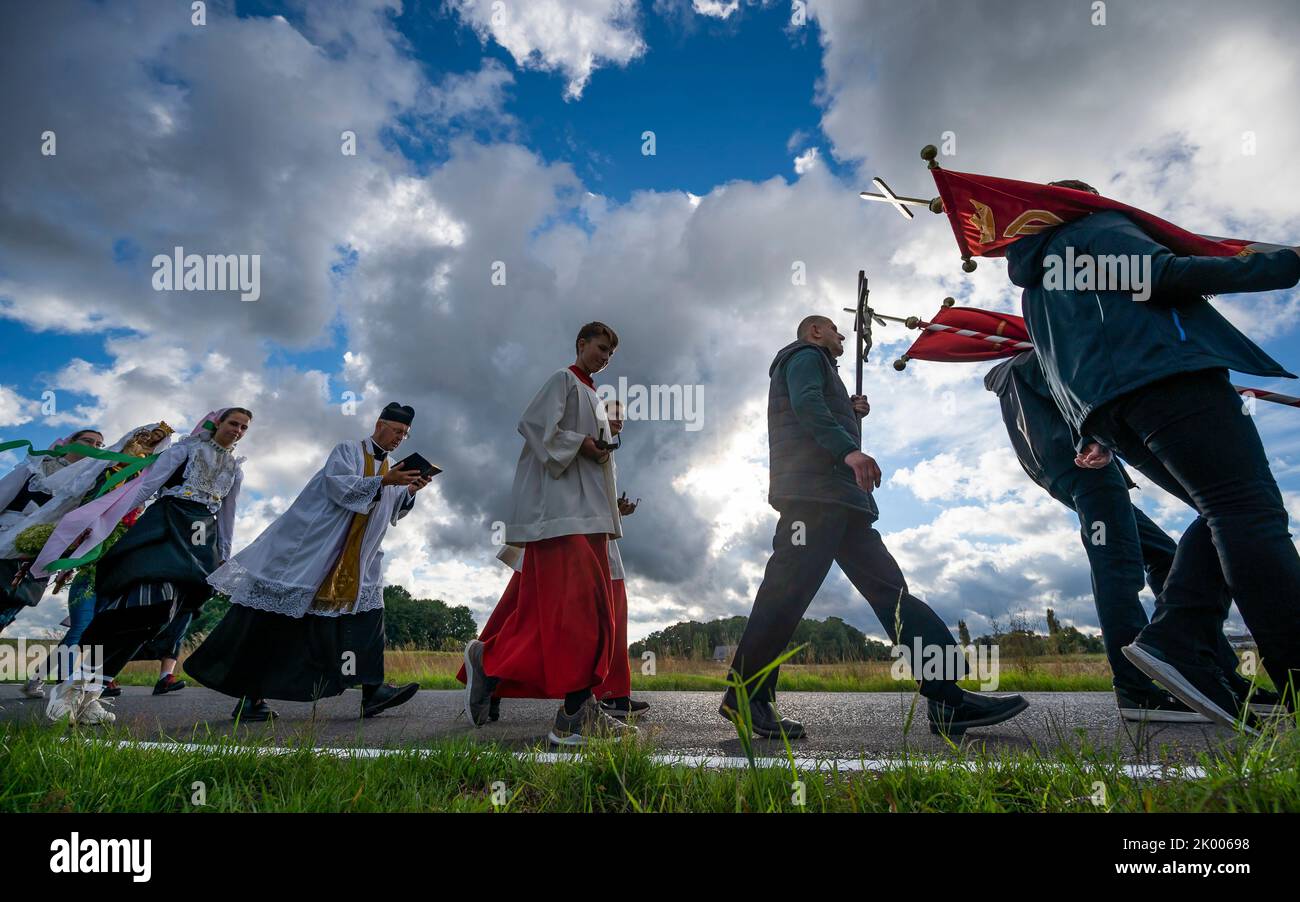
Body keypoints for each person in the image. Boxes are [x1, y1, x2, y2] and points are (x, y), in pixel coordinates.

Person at [1010, 179, 1300, 726]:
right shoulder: (1095, 226)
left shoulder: (1035, 284)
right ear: (1083, 202)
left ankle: (1182, 641)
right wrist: (1283, 266)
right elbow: (1159, 275)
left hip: (1111, 410)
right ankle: (1191, 644)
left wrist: (1089, 429)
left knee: (1227, 511)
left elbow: (1063, 362)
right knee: (1249, 508)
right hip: (1167, 379)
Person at [723, 315, 1029, 739]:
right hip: (814, 498)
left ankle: (946, 699)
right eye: (834, 329)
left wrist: (847, 410)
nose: (842, 335)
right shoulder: (804, 355)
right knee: (786, 593)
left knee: (892, 593)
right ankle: (745, 694)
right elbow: (806, 405)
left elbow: (820, 407)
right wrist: (850, 449)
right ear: (815, 332)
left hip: (842, 500)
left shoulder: (820, 365)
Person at [984, 350, 1280, 720]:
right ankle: (1136, 687)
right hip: (1087, 468)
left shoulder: (1009, 380)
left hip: (1063, 473)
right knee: (1118, 565)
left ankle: (1215, 670)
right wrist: (1094, 435)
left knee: (1165, 555)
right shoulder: (1036, 362)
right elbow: (1080, 396)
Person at [184, 403, 428, 721]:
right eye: (397, 431)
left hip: (359, 559)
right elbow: (340, 488)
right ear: (380, 424)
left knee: (367, 621)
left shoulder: (392, 466)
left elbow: (391, 510)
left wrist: (408, 490)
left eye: (405, 435)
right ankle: (249, 699)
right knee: (278, 626)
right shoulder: (348, 451)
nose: (400, 438)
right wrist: (385, 481)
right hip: (313, 553)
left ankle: (373, 691)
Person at [461, 322, 633, 746]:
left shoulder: (593, 396)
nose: (605, 356)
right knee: (583, 612)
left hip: (590, 517)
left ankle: (499, 665)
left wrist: (612, 505)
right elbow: (534, 425)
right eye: (600, 347)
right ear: (581, 344)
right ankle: (573, 715)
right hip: (561, 513)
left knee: (581, 614)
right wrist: (582, 445)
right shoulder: (564, 381)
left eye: (611, 352)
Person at [44, 410, 248, 725]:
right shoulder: (185, 450)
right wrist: (104, 524)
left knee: (160, 617)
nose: (238, 430)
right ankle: (68, 689)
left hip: (201, 538)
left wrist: (223, 555)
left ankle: (92, 693)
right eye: (233, 423)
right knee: (145, 603)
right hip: (166, 524)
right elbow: (146, 486)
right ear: (217, 423)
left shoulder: (235, 468)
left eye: (244, 427)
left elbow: (228, 515)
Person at [480, 400, 648, 724]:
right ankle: (491, 673)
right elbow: (559, 482)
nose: (619, 423)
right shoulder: (569, 442)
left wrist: (617, 507)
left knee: (609, 614)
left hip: (596, 538)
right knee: (530, 616)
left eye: (622, 419)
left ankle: (613, 692)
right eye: (613, 415)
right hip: (563, 538)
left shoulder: (605, 454)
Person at [18, 422, 173, 697]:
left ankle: (48, 680)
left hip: (114, 564)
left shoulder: (146, 481)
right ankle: (62, 685)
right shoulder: (111, 468)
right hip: (91, 561)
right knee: (80, 627)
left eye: (158, 440)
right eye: (149, 436)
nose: (151, 442)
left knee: (90, 630)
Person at [0, 429, 105, 638]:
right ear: (70, 442)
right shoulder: (37, 467)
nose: (94, 447)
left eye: (99, 445)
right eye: (88, 441)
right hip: (6, 537)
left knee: (9, 606)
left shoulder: (92, 484)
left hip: (40, 552)